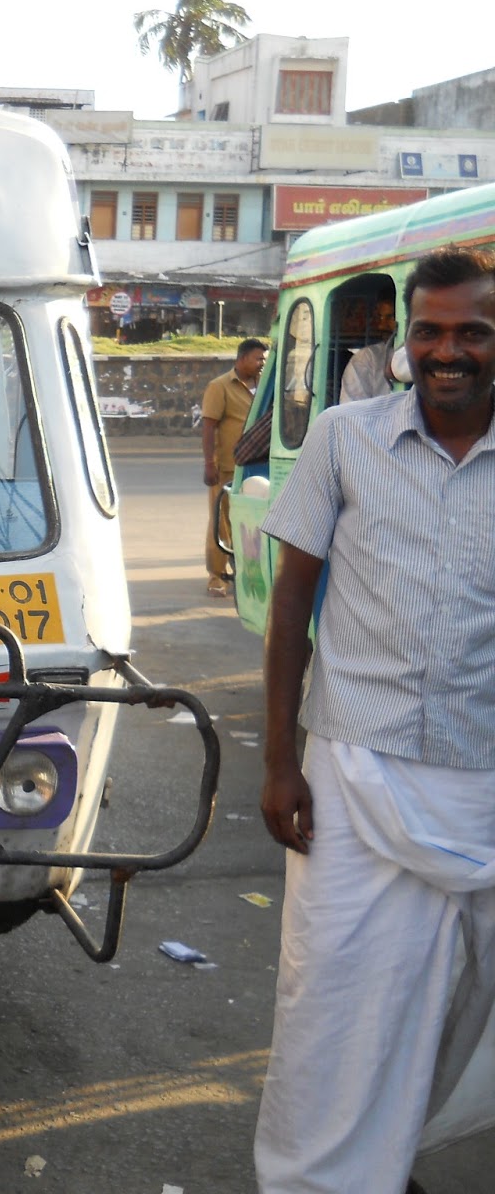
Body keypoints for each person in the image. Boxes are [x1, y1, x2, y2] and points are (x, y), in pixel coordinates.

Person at [254, 247, 495, 1194]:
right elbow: (287, 613)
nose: (449, 351)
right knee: (338, 995)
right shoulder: (343, 439)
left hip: (481, 775)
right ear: (402, 339)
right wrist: (279, 761)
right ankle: (324, 1178)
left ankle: (394, 1150)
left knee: (461, 1000)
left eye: (471, 332)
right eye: (429, 330)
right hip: (352, 772)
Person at [200, 337, 267, 596]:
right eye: (258, 358)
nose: (262, 363)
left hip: (257, 464)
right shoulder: (220, 387)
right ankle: (216, 577)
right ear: (241, 359)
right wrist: (209, 463)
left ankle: (248, 574)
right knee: (220, 523)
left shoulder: (265, 385)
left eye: (264, 359)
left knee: (251, 522)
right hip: (227, 466)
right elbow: (208, 426)